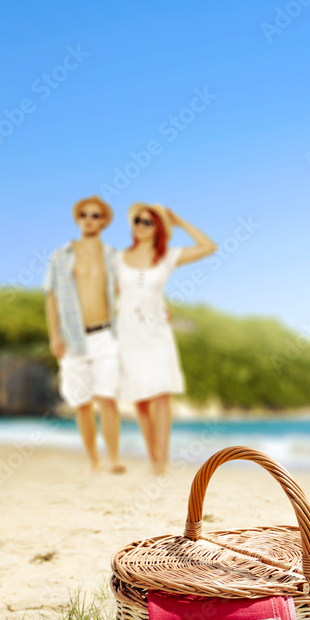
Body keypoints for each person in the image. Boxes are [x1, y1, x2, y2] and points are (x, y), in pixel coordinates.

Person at [116, 203, 215, 474]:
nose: (141, 225)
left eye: (148, 222)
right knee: (140, 398)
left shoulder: (167, 256)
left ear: (158, 227)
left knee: (161, 394)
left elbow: (209, 247)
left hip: (157, 331)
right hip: (128, 331)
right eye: (137, 220)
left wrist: (180, 222)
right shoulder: (117, 258)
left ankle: (162, 462)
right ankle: (152, 457)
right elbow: (111, 293)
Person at [43, 195, 126, 473]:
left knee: (108, 398)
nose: (89, 220)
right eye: (84, 215)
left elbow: (128, 291)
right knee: (81, 402)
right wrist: (54, 335)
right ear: (77, 219)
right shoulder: (60, 255)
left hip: (105, 335)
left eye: (95, 215)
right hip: (72, 337)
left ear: (104, 221)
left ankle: (113, 458)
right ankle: (93, 460)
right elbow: (51, 297)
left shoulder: (113, 256)